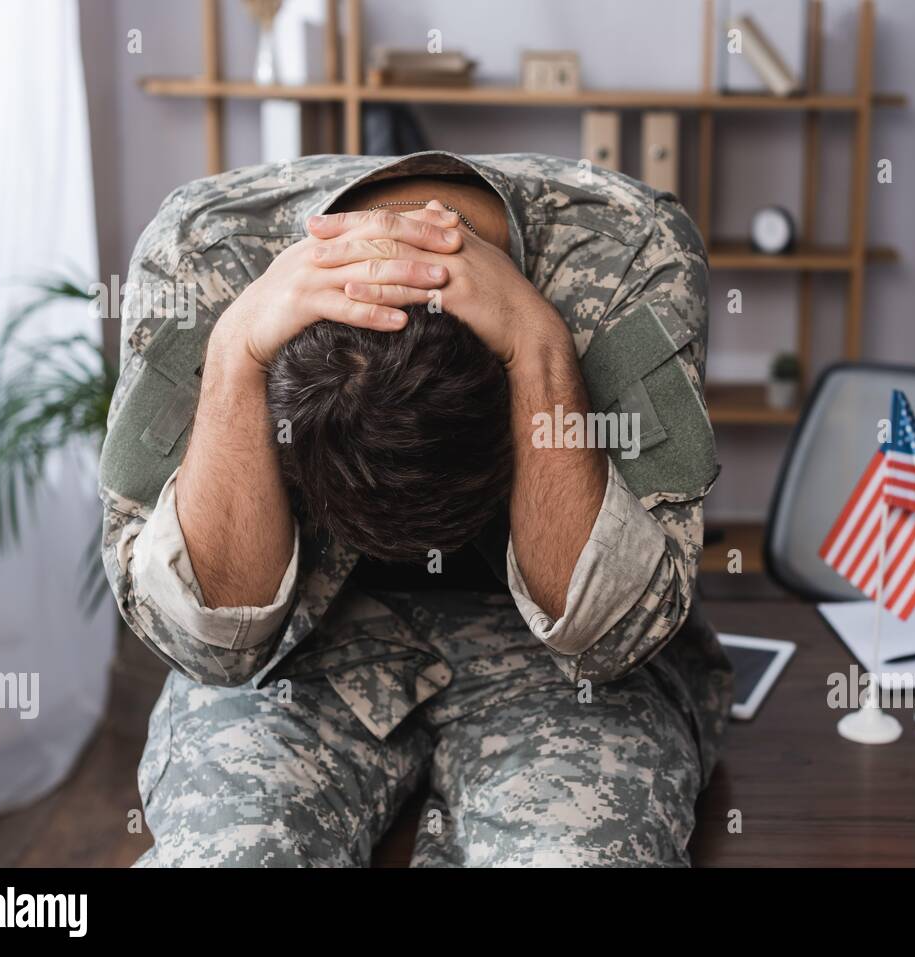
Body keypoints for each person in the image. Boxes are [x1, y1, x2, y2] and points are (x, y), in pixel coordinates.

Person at [99, 151, 731, 867]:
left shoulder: (630, 251)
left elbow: (611, 638)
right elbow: (209, 642)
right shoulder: (201, 253)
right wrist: (236, 354)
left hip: (557, 670)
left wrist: (540, 347)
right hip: (301, 650)